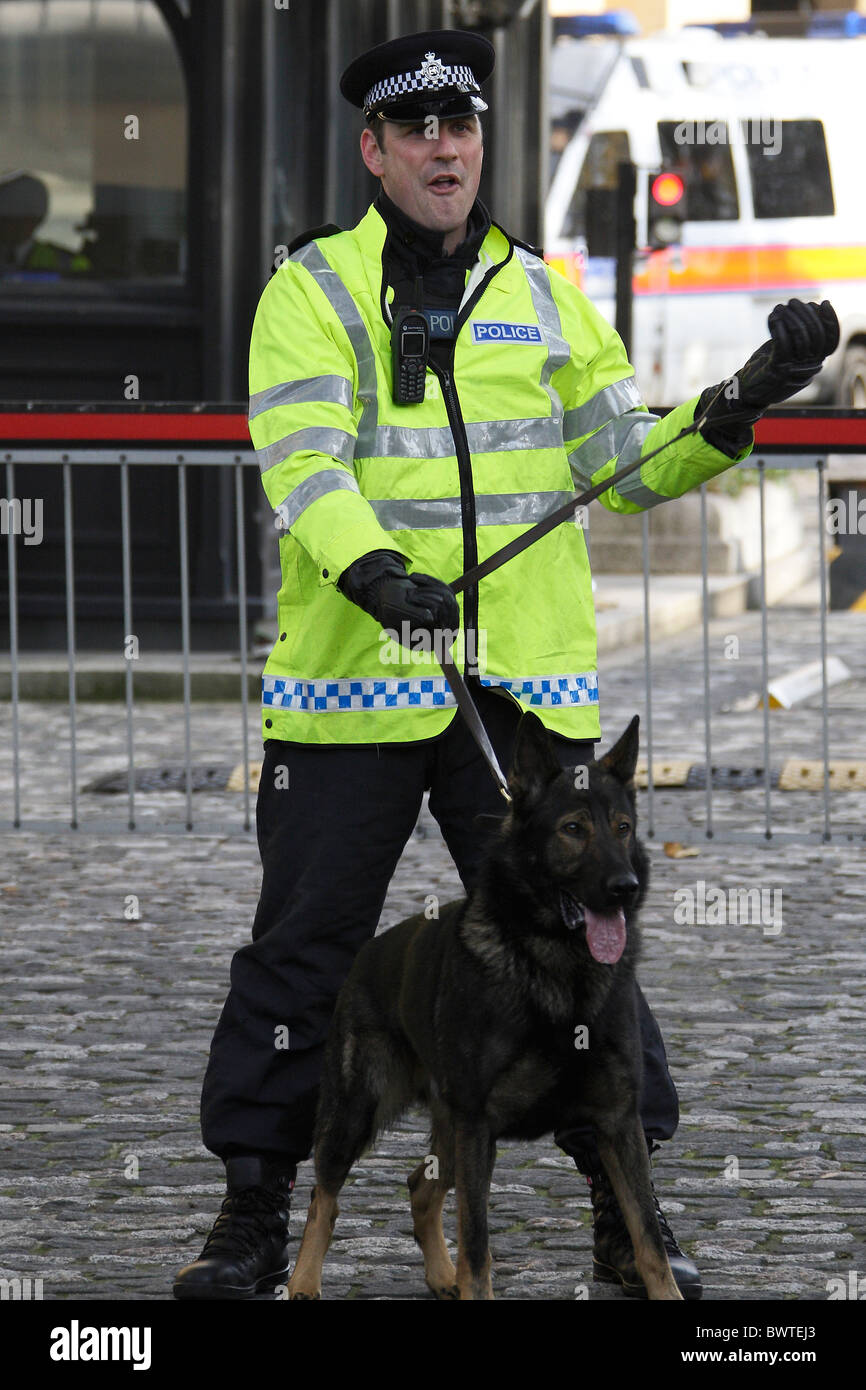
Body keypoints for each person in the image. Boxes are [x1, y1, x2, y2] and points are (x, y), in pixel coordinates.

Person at [173, 29, 839, 1302]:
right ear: (372, 150)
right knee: (305, 949)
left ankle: (625, 1219)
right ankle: (251, 1216)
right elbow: (305, 465)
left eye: (460, 128)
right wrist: (374, 570)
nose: (442, 147)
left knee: (588, 945)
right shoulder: (309, 289)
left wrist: (742, 399)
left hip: (521, 696)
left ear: (479, 143)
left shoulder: (540, 292)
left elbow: (624, 466)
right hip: (357, 680)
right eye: (414, 130)